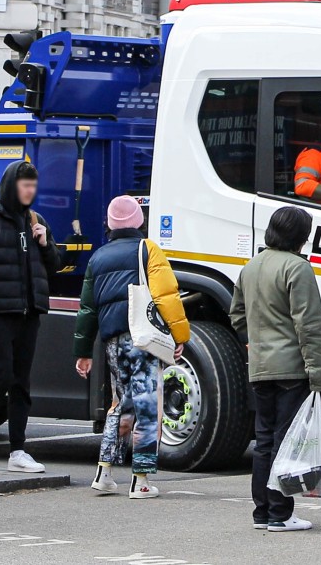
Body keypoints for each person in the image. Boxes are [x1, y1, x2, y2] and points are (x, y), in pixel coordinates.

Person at [73, 195, 190, 498]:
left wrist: (83, 352)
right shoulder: (147, 249)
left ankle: (103, 472)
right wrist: (180, 334)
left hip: (112, 341)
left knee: (120, 404)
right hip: (142, 339)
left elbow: (87, 309)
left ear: (110, 225)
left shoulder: (98, 257)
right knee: (147, 407)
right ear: (139, 222)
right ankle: (142, 479)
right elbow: (166, 295)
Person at [229, 206, 321, 533]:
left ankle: (262, 512)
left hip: (260, 367)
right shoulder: (297, 268)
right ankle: (281, 514)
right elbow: (308, 325)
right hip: (291, 369)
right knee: (287, 442)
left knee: (265, 440)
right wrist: (317, 372)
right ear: (300, 237)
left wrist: (255, 340)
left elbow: (237, 316)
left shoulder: (251, 266)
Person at [0, 160, 64, 472]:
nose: (30, 191)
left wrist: (45, 243)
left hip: (29, 312)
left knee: (22, 383)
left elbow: (56, 265)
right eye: (25, 186)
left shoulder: (36, 221)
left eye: (34, 186)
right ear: (11, 186)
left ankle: (18, 451)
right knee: (1, 375)